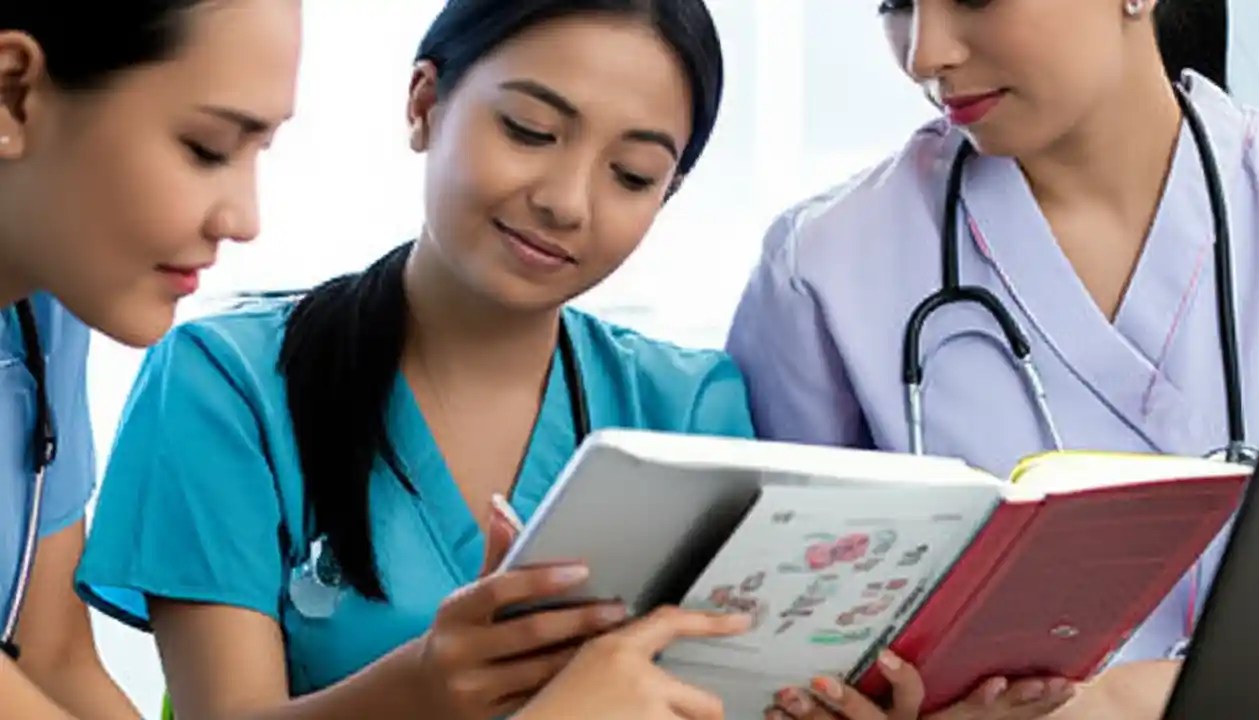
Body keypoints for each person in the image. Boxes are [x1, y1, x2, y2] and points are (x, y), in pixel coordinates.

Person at [75, 1, 756, 718]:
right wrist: (420, 689)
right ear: (425, 103)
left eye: (632, 174)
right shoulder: (227, 383)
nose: (566, 203)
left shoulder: (686, 408)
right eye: (530, 131)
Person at [725, 0, 1259, 718]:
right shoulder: (823, 268)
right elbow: (771, 657)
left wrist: (1120, 702)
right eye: (896, 4)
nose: (925, 56)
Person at [0, 2, 301, 718]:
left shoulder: (46, 309)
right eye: (207, 148)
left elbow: (53, 657)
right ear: (13, 94)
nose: (243, 217)